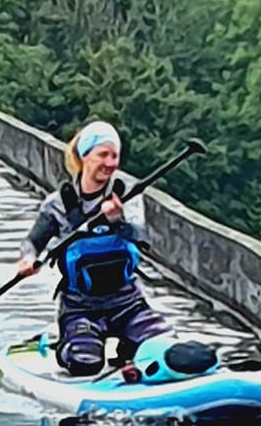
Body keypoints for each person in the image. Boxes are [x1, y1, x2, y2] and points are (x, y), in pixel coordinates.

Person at [16, 120, 168, 377]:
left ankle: (130, 350)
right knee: (85, 363)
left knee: (165, 349)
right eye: (103, 155)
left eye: (114, 156)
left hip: (128, 302)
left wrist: (117, 220)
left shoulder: (126, 195)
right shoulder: (57, 204)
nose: (110, 163)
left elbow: (141, 238)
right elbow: (32, 242)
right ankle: (68, 347)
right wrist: (27, 259)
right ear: (85, 156)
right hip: (80, 307)